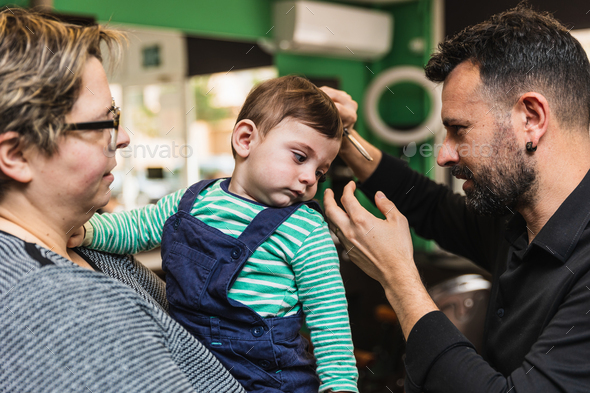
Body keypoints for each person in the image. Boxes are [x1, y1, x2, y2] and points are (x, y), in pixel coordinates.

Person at [322, 4, 590, 393]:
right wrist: (345, 140)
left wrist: (399, 278)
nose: (444, 155)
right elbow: (430, 206)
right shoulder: (517, 220)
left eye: (459, 129)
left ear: (531, 117)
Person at [0, 8, 245, 392]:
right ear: (17, 154)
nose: (125, 136)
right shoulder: (66, 308)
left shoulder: (86, 245)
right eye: (106, 122)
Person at [78, 76, 359, 393]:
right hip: (189, 366)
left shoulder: (306, 228)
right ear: (245, 139)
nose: (310, 178)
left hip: (271, 381)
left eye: (321, 171)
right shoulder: (192, 201)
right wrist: (85, 231)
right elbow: (133, 229)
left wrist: (340, 384)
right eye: (299, 156)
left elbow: (329, 318)